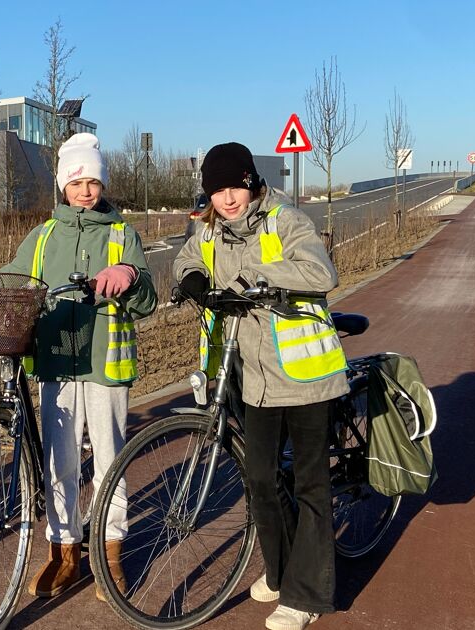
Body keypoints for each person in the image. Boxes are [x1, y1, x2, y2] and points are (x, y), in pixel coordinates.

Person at [0, 133, 157, 601]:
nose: (86, 191)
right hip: (56, 364)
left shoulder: (122, 234)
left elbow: (148, 299)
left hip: (104, 365)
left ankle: (111, 554)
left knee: (111, 460)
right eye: (77, 182)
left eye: (93, 181)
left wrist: (130, 276)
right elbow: (8, 278)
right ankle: (64, 552)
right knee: (60, 462)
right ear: (62, 185)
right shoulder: (43, 236)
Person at [172, 143, 347, 630]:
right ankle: (280, 571)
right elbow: (186, 261)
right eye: (216, 190)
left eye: (234, 187)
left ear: (251, 183)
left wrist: (259, 275)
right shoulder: (210, 231)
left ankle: (306, 594)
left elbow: (321, 272)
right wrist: (189, 280)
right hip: (254, 380)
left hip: (306, 375)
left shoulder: (284, 221)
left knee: (311, 485)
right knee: (262, 481)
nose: (227, 198)